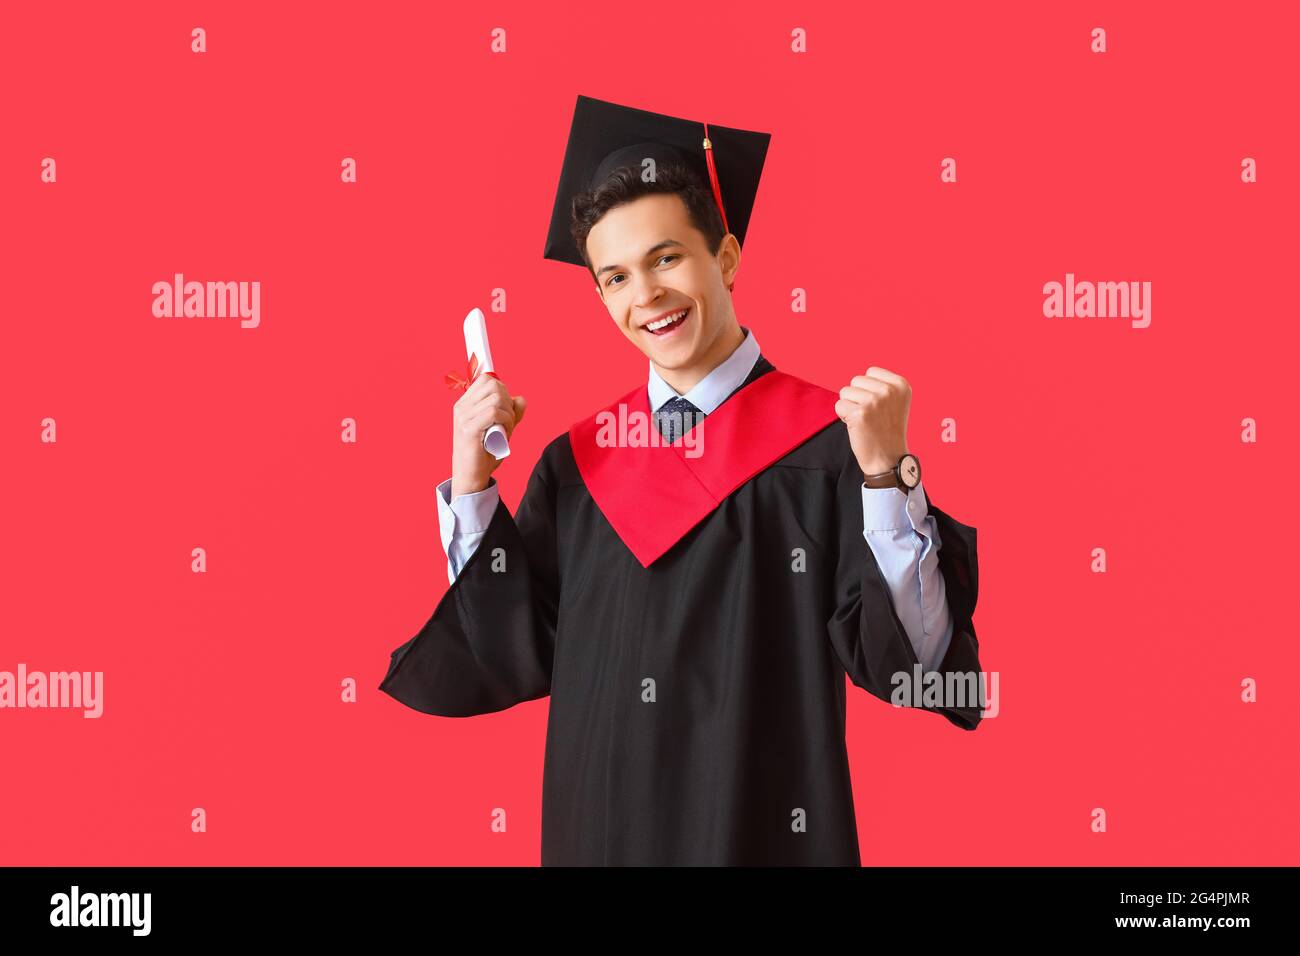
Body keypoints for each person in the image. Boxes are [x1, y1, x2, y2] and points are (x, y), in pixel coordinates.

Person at [380, 94, 985, 866]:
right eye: (617, 277)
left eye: (667, 258)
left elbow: (919, 669)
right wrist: (473, 477)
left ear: (725, 257)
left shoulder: (831, 447)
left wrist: (889, 475)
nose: (647, 296)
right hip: (595, 833)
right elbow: (503, 647)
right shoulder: (579, 463)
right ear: (600, 294)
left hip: (761, 831)